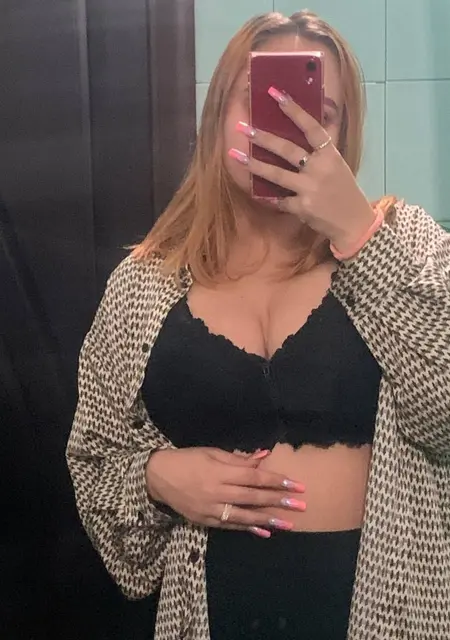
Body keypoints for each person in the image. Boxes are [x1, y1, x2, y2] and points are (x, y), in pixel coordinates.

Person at [66, 9, 450, 640]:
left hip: (387, 613)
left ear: (344, 135)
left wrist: (360, 235)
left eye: (318, 113)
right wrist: (155, 477)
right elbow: (94, 460)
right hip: (210, 613)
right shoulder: (145, 284)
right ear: (219, 114)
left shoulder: (403, 243)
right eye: (263, 104)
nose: (288, 131)